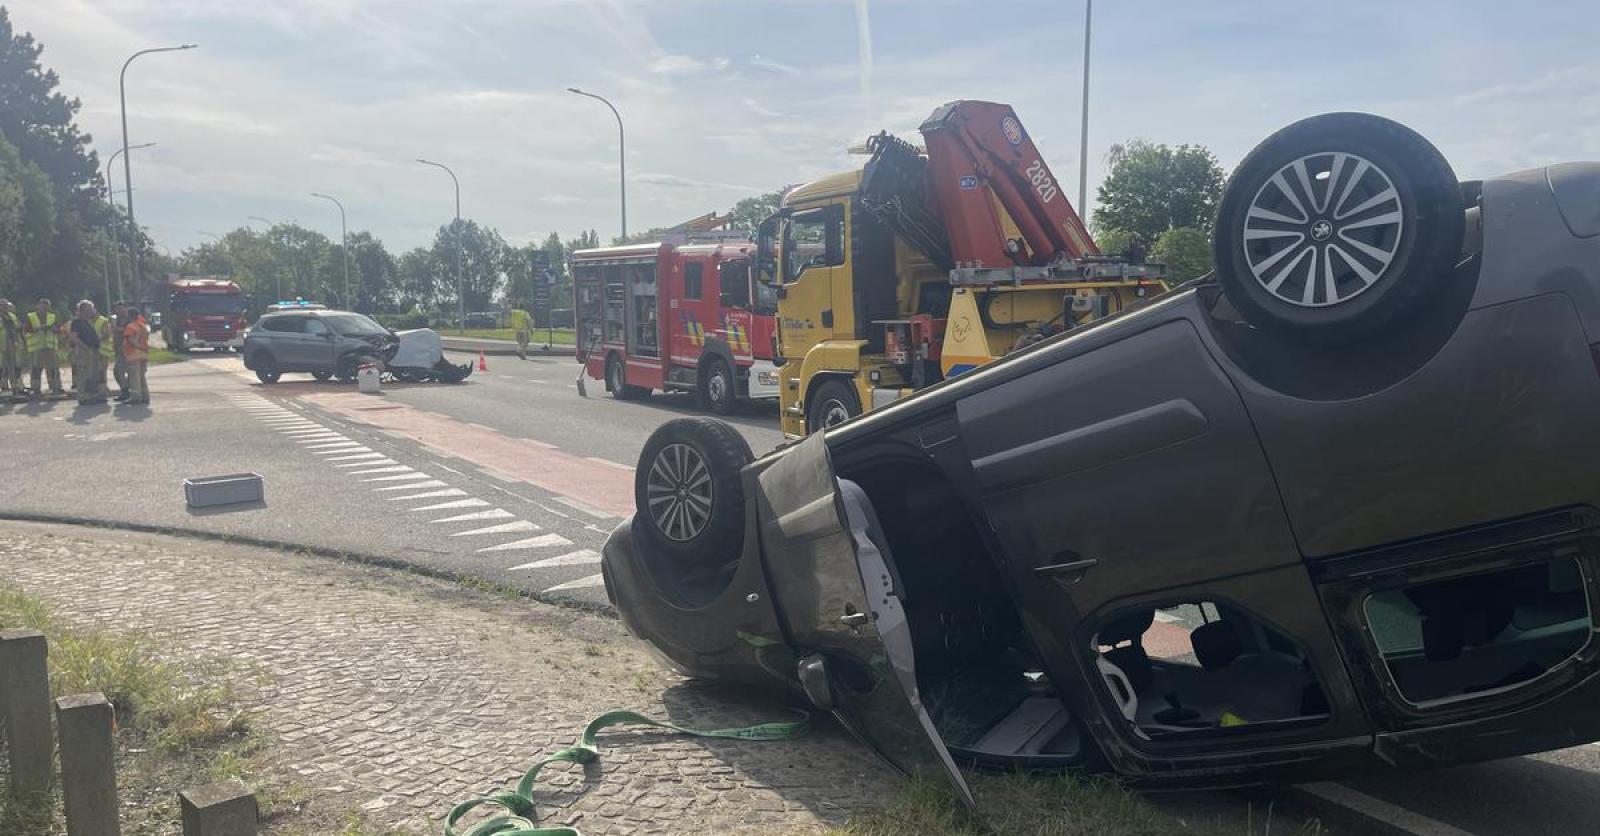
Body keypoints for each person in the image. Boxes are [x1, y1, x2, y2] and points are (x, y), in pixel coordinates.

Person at [23, 297, 64, 399]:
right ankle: (35, 388)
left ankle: (56, 387)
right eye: (42, 306)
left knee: (54, 367)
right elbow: (26, 329)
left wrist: (56, 329)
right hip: (37, 347)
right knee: (37, 368)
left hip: (50, 346)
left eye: (46, 307)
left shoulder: (52, 317)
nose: (44, 309)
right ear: (38, 306)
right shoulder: (31, 316)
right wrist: (37, 328)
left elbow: (59, 328)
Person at [69, 300, 108, 405]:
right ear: (83, 311)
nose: (92, 311)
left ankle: (91, 395)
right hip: (84, 352)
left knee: (92, 374)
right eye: (90, 309)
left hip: (93, 351)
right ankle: (83, 397)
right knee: (83, 374)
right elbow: (73, 337)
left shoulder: (88, 323)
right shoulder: (77, 322)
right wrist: (85, 347)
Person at [122, 306, 150, 406]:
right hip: (144, 354)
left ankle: (136, 397)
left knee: (134, 377)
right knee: (142, 377)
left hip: (134, 354)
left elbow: (130, 340)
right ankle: (145, 396)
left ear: (130, 316)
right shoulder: (143, 326)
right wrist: (142, 348)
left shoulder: (130, 326)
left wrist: (137, 346)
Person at [0, 297, 22, 397]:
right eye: (3, 306)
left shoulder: (12, 316)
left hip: (12, 344)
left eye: (6, 306)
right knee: (3, 367)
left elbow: (17, 328)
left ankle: (15, 386)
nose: (5, 308)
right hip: (2, 345)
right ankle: (4, 387)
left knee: (13, 366)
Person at [110, 301, 131, 401]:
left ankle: (127, 390)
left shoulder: (130, 319)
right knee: (118, 371)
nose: (119, 311)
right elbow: (115, 334)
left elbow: (131, 331)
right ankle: (125, 389)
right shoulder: (117, 320)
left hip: (130, 349)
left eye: (121, 309)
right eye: (117, 309)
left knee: (123, 370)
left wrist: (118, 329)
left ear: (126, 309)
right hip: (119, 349)